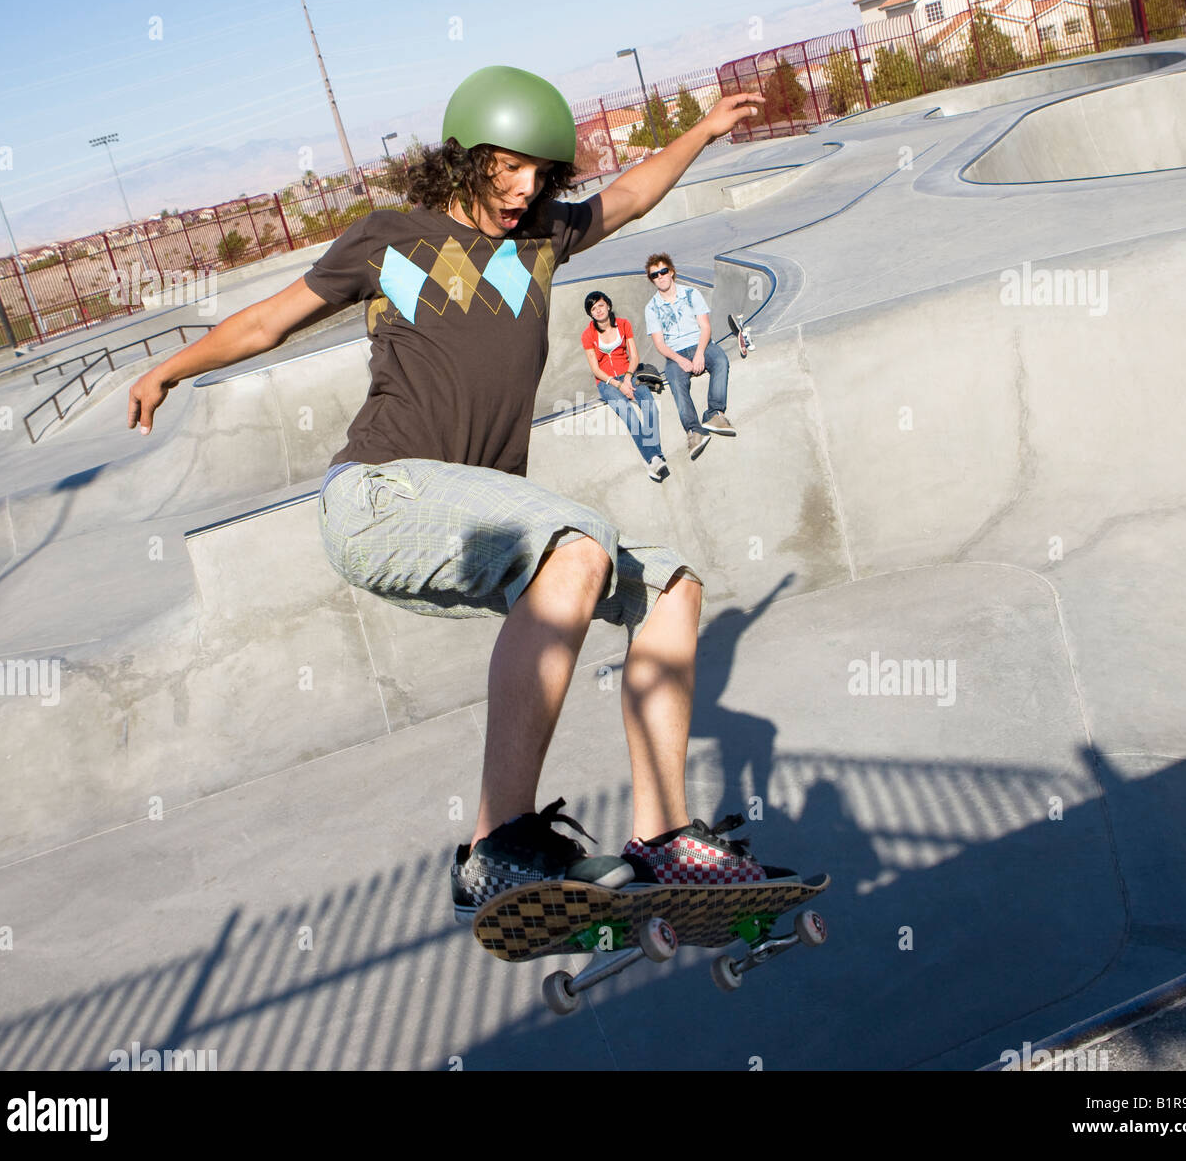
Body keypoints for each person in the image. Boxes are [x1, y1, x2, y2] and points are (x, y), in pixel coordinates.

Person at [127, 65, 792, 916]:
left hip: (475, 518)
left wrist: (699, 133)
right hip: (379, 495)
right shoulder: (391, 240)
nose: (523, 190)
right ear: (466, 157)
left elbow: (627, 198)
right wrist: (170, 370)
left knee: (670, 586)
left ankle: (663, 837)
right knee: (577, 542)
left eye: (540, 174)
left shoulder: (543, 237)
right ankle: (495, 846)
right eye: (506, 167)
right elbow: (268, 320)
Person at [643, 253, 734, 460]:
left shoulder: (691, 294)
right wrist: (680, 359)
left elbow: (705, 327)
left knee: (720, 360)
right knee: (675, 381)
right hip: (675, 352)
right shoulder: (651, 308)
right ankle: (694, 431)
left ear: (672, 272)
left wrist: (700, 353)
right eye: (655, 275)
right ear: (652, 280)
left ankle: (714, 413)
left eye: (663, 271)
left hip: (700, 343)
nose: (660, 277)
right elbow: (659, 344)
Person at [580, 288, 668, 482]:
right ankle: (653, 457)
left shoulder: (623, 324)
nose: (599, 310)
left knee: (649, 405)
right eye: (594, 309)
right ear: (591, 314)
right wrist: (618, 385)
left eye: (601, 305)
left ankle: (653, 458)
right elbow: (595, 369)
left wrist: (628, 378)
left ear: (608, 305)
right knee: (628, 414)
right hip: (606, 382)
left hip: (628, 373)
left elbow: (634, 356)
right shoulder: (588, 335)